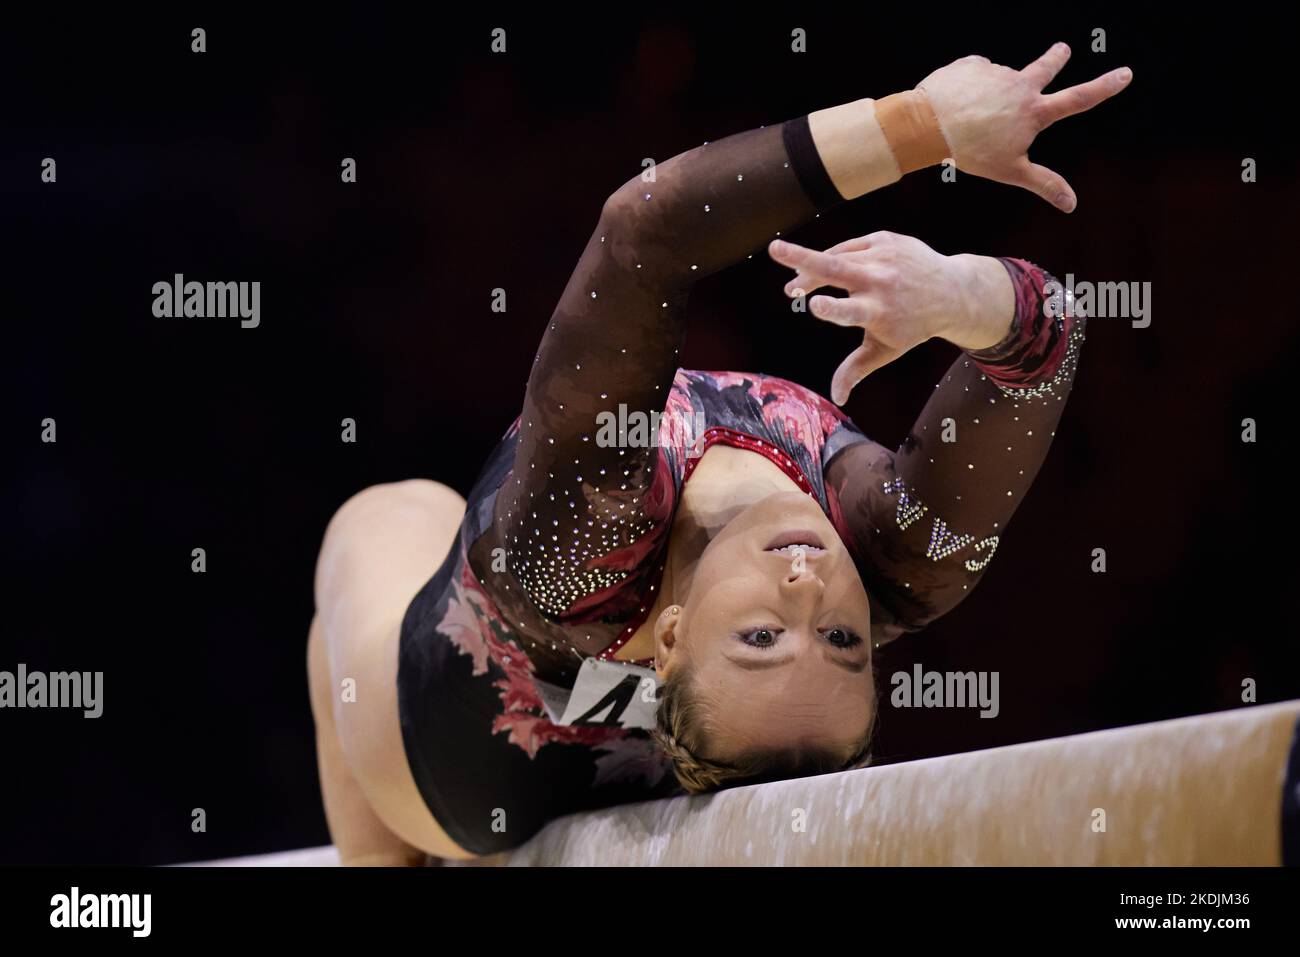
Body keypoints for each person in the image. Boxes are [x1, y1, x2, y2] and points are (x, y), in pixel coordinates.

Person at [307, 43, 1131, 864]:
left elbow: (644, 237)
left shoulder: (579, 558)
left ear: (666, 642)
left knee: (386, 514)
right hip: (707, 746)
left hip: (466, 773)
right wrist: (962, 296)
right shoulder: (901, 561)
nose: (808, 590)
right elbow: (1048, 339)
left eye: (764, 636)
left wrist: (921, 125)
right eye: (845, 641)